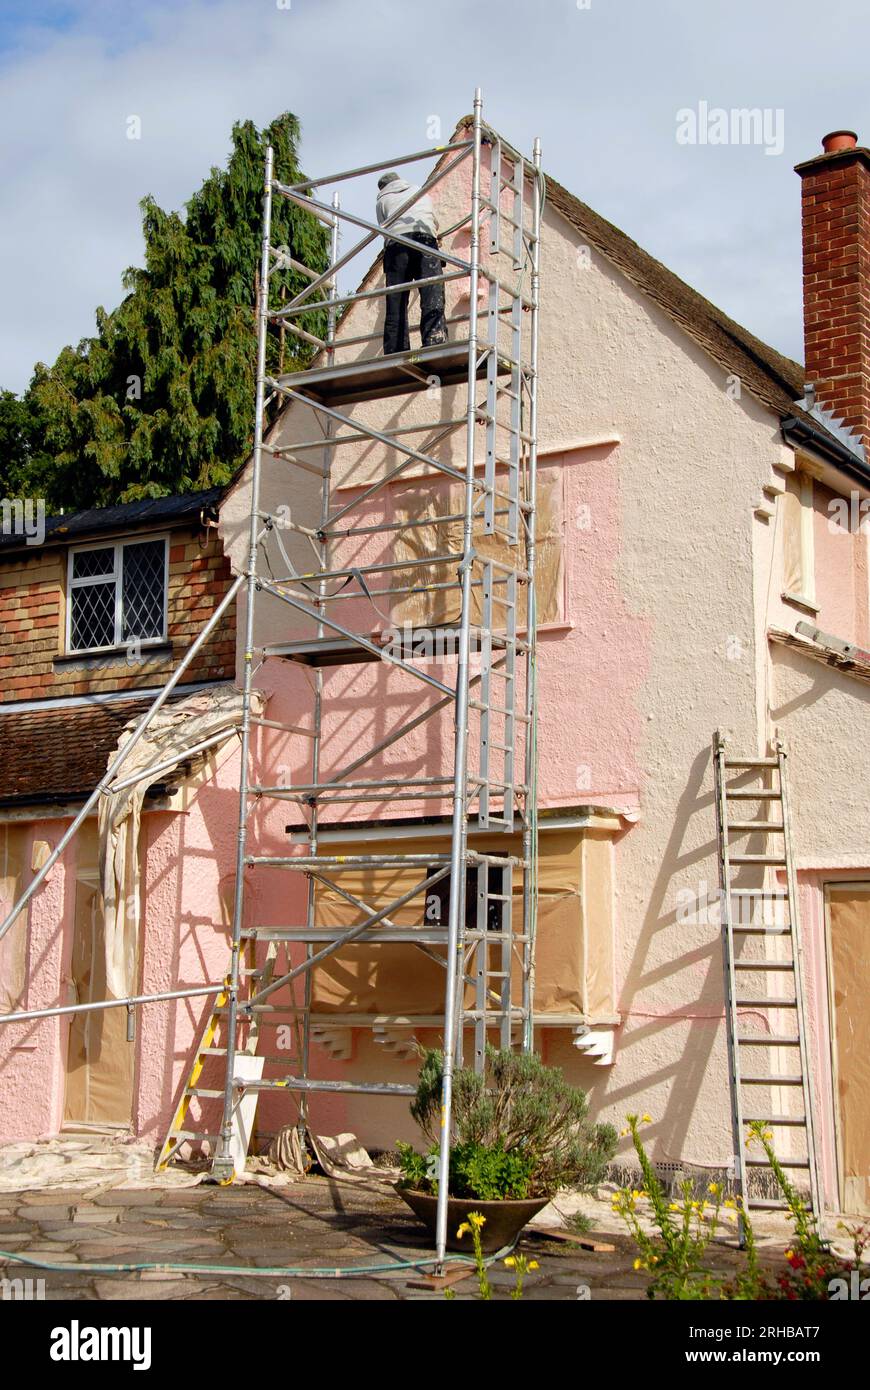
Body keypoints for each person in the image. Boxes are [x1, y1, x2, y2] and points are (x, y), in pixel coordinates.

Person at [376, 171, 448, 355]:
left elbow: (385, 229)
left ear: (382, 188)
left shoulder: (382, 201)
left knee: (396, 298)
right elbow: (432, 220)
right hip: (425, 239)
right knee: (431, 291)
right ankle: (435, 338)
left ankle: (395, 348)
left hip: (397, 246)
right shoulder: (418, 191)